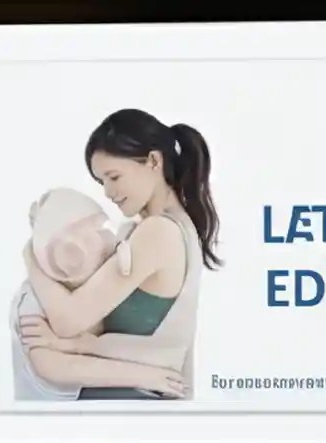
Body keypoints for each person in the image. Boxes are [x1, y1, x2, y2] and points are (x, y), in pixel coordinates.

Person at [18, 108, 221, 399]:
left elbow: (67, 322)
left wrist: (31, 256)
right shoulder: (170, 226)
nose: (108, 192)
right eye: (102, 182)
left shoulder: (157, 232)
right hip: (131, 396)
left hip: (129, 400)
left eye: (114, 177)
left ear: (153, 160)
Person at [13, 187, 187, 399]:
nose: (109, 252)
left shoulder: (100, 269)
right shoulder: (34, 298)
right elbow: (57, 367)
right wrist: (146, 376)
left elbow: (120, 254)